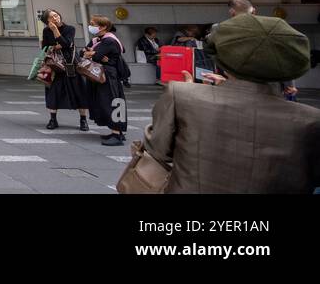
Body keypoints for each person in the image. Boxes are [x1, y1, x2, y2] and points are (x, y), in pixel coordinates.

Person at [140, 15, 320, 193]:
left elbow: (158, 149)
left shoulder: (182, 95)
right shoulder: (312, 121)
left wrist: (187, 98)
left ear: (223, 59)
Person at [83, 14, 128, 146]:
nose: (90, 26)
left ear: (103, 27)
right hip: (101, 74)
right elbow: (83, 53)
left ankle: (117, 134)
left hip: (108, 76)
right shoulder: (98, 40)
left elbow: (96, 56)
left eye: (93, 24)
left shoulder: (110, 40)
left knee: (112, 102)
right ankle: (116, 132)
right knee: (106, 102)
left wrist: (93, 54)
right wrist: (92, 54)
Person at [40, 9, 88, 131]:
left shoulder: (69, 29)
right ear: (47, 21)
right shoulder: (46, 31)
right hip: (55, 66)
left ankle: (83, 120)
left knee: (79, 92)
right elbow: (45, 46)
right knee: (53, 93)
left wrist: (55, 31)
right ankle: (53, 119)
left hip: (71, 64)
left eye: (56, 15)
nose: (55, 18)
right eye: (51, 17)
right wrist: (56, 45)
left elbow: (66, 44)